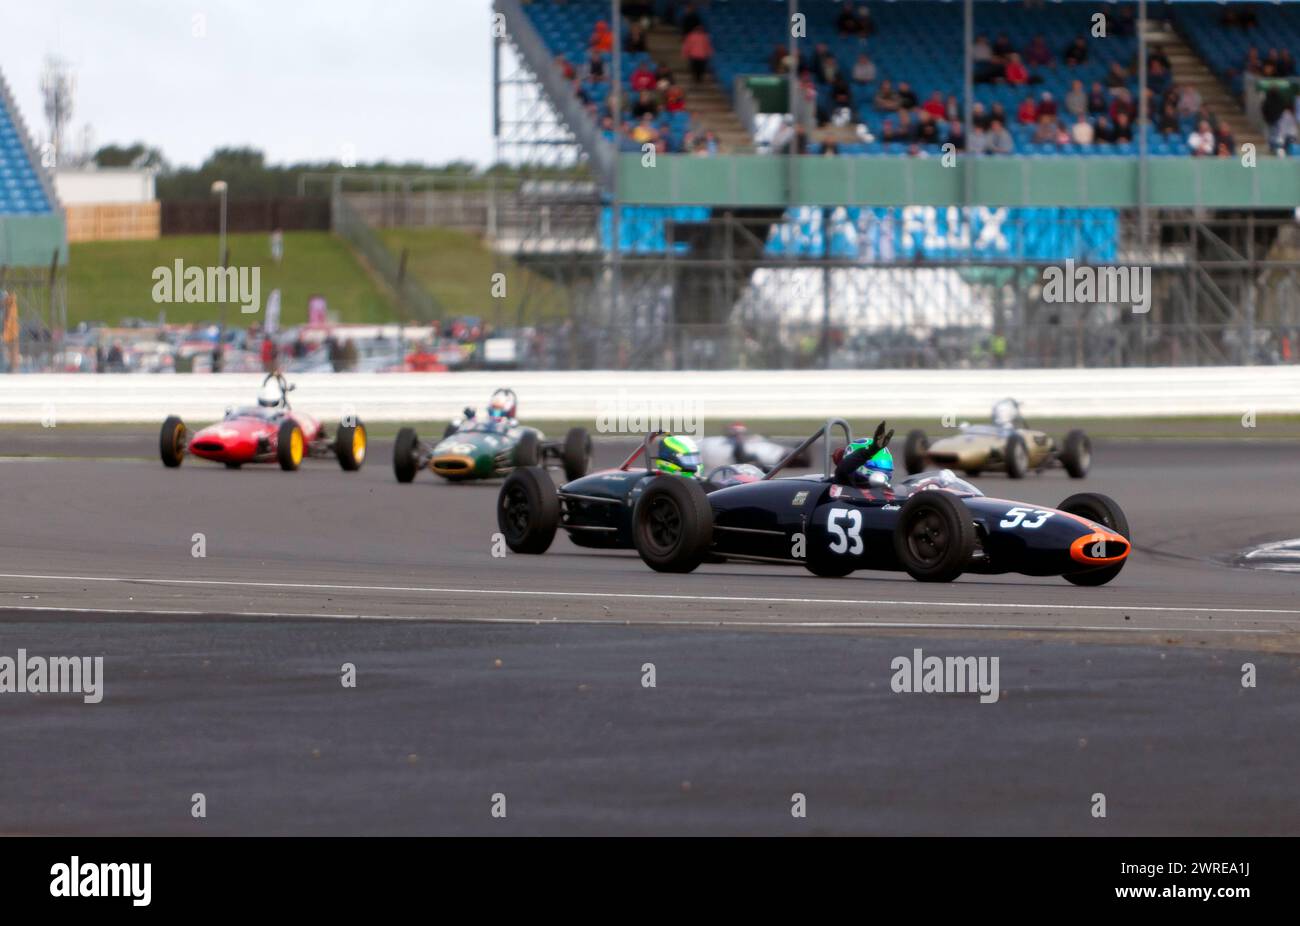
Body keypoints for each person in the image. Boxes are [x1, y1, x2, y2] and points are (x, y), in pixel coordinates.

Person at [833, 422, 895, 488]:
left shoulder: (885, 491)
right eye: (874, 462)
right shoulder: (842, 481)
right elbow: (844, 468)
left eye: (886, 462)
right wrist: (872, 450)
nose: (883, 466)